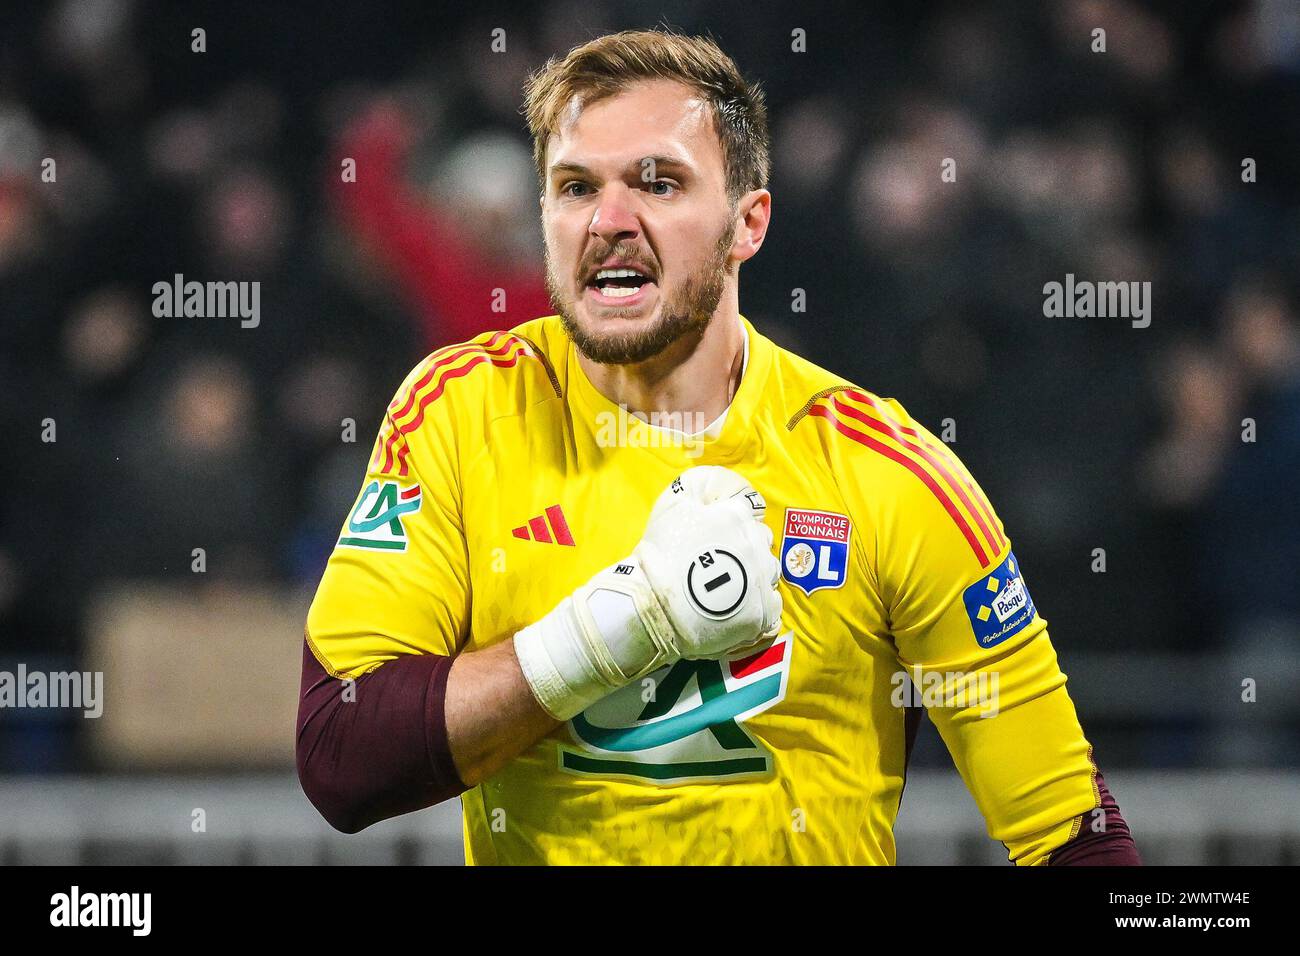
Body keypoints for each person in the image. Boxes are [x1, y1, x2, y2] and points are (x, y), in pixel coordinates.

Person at [296, 29, 1138, 865]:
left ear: (747, 222)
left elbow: (1073, 836)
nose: (610, 221)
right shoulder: (460, 416)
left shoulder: (886, 472)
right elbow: (340, 753)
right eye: (576, 187)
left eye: (658, 183)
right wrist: (619, 627)